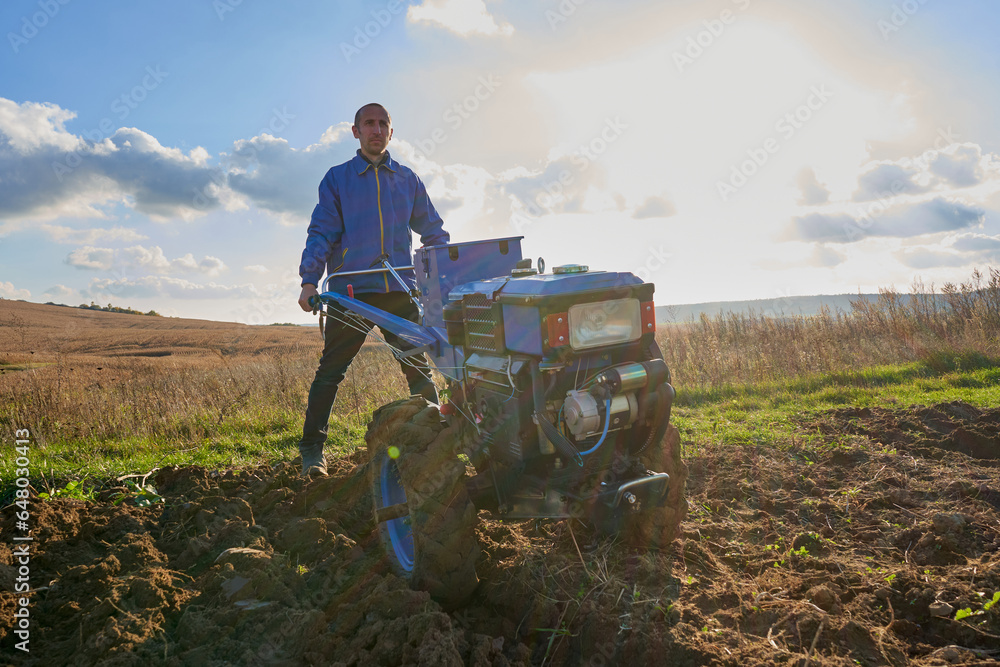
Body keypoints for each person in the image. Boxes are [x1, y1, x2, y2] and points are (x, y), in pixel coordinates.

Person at [296, 102, 449, 477]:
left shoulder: (407, 179)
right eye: (369, 123)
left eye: (383, 124)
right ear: (356, 131)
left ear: (391, 133)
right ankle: (312, 452)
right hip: (351, 292)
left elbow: (433, 233)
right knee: (330, 372)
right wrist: (309, 280)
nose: (376, 129)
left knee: (417, 370)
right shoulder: (337, 179)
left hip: (399, 290)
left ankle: (437, 445)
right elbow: (321, 232)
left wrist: (445, 276)